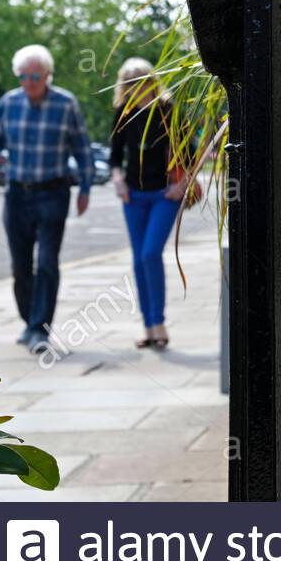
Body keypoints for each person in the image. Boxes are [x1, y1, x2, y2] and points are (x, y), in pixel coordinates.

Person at [0, 44, 93, 353]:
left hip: (53, 193)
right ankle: (30, 320)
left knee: (47, 261)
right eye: (24, 76)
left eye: (36, 75)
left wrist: (86, 188)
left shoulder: (66, 104)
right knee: (20, 265)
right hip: (18, 195)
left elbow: (82, 148)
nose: (30, 81)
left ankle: (39, 329)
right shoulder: (9, 103)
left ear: (47, 75)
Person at [109, 58, 191, 351]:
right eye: (129, 81)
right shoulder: (123, 113)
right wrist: (117, 180)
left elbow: (189, 154)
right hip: (133, 196)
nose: (135, 85)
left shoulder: (168, 112)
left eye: (141, 79)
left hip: (164, 195)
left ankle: (160, 322)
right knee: (138, 260)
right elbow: (115, 157)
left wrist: (180, 186)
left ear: (152, 81)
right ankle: (149, 326)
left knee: (150, 254)